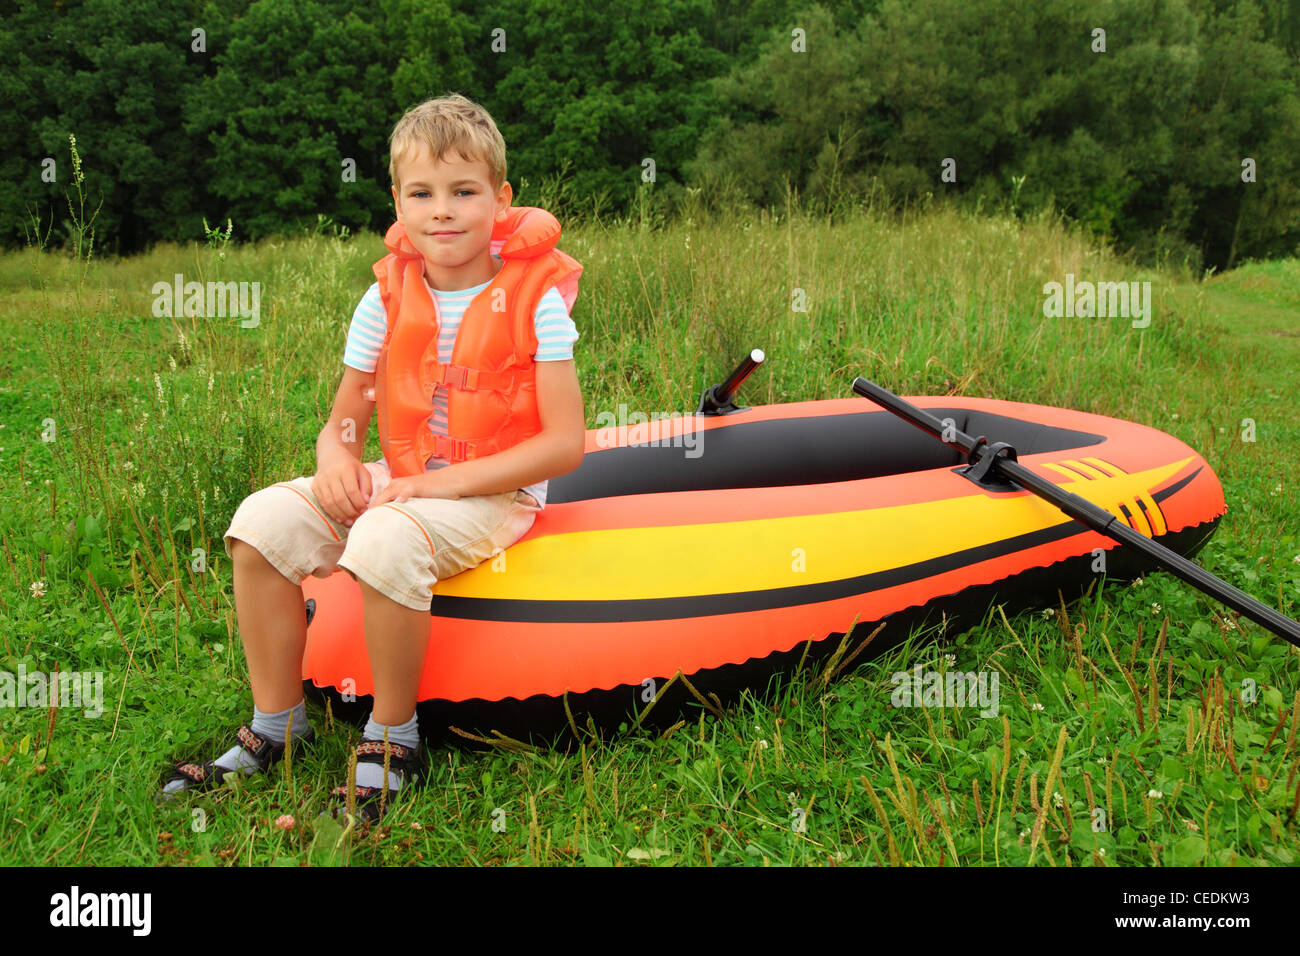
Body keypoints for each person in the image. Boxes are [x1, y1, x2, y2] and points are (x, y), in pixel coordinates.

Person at [160, 94, 586, 822]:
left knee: (386, 535)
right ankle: (277, 724)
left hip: (494, 490)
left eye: (464, 192)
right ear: (397, 200)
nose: (442, 211)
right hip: (406, 477)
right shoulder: (383, 298)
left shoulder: (534, 299)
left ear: (501, 199)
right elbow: (343, 424)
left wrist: (426, 489)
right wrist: (335, 464)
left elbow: (563, 444)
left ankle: (393, 737)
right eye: (421, 193)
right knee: (260, 521)